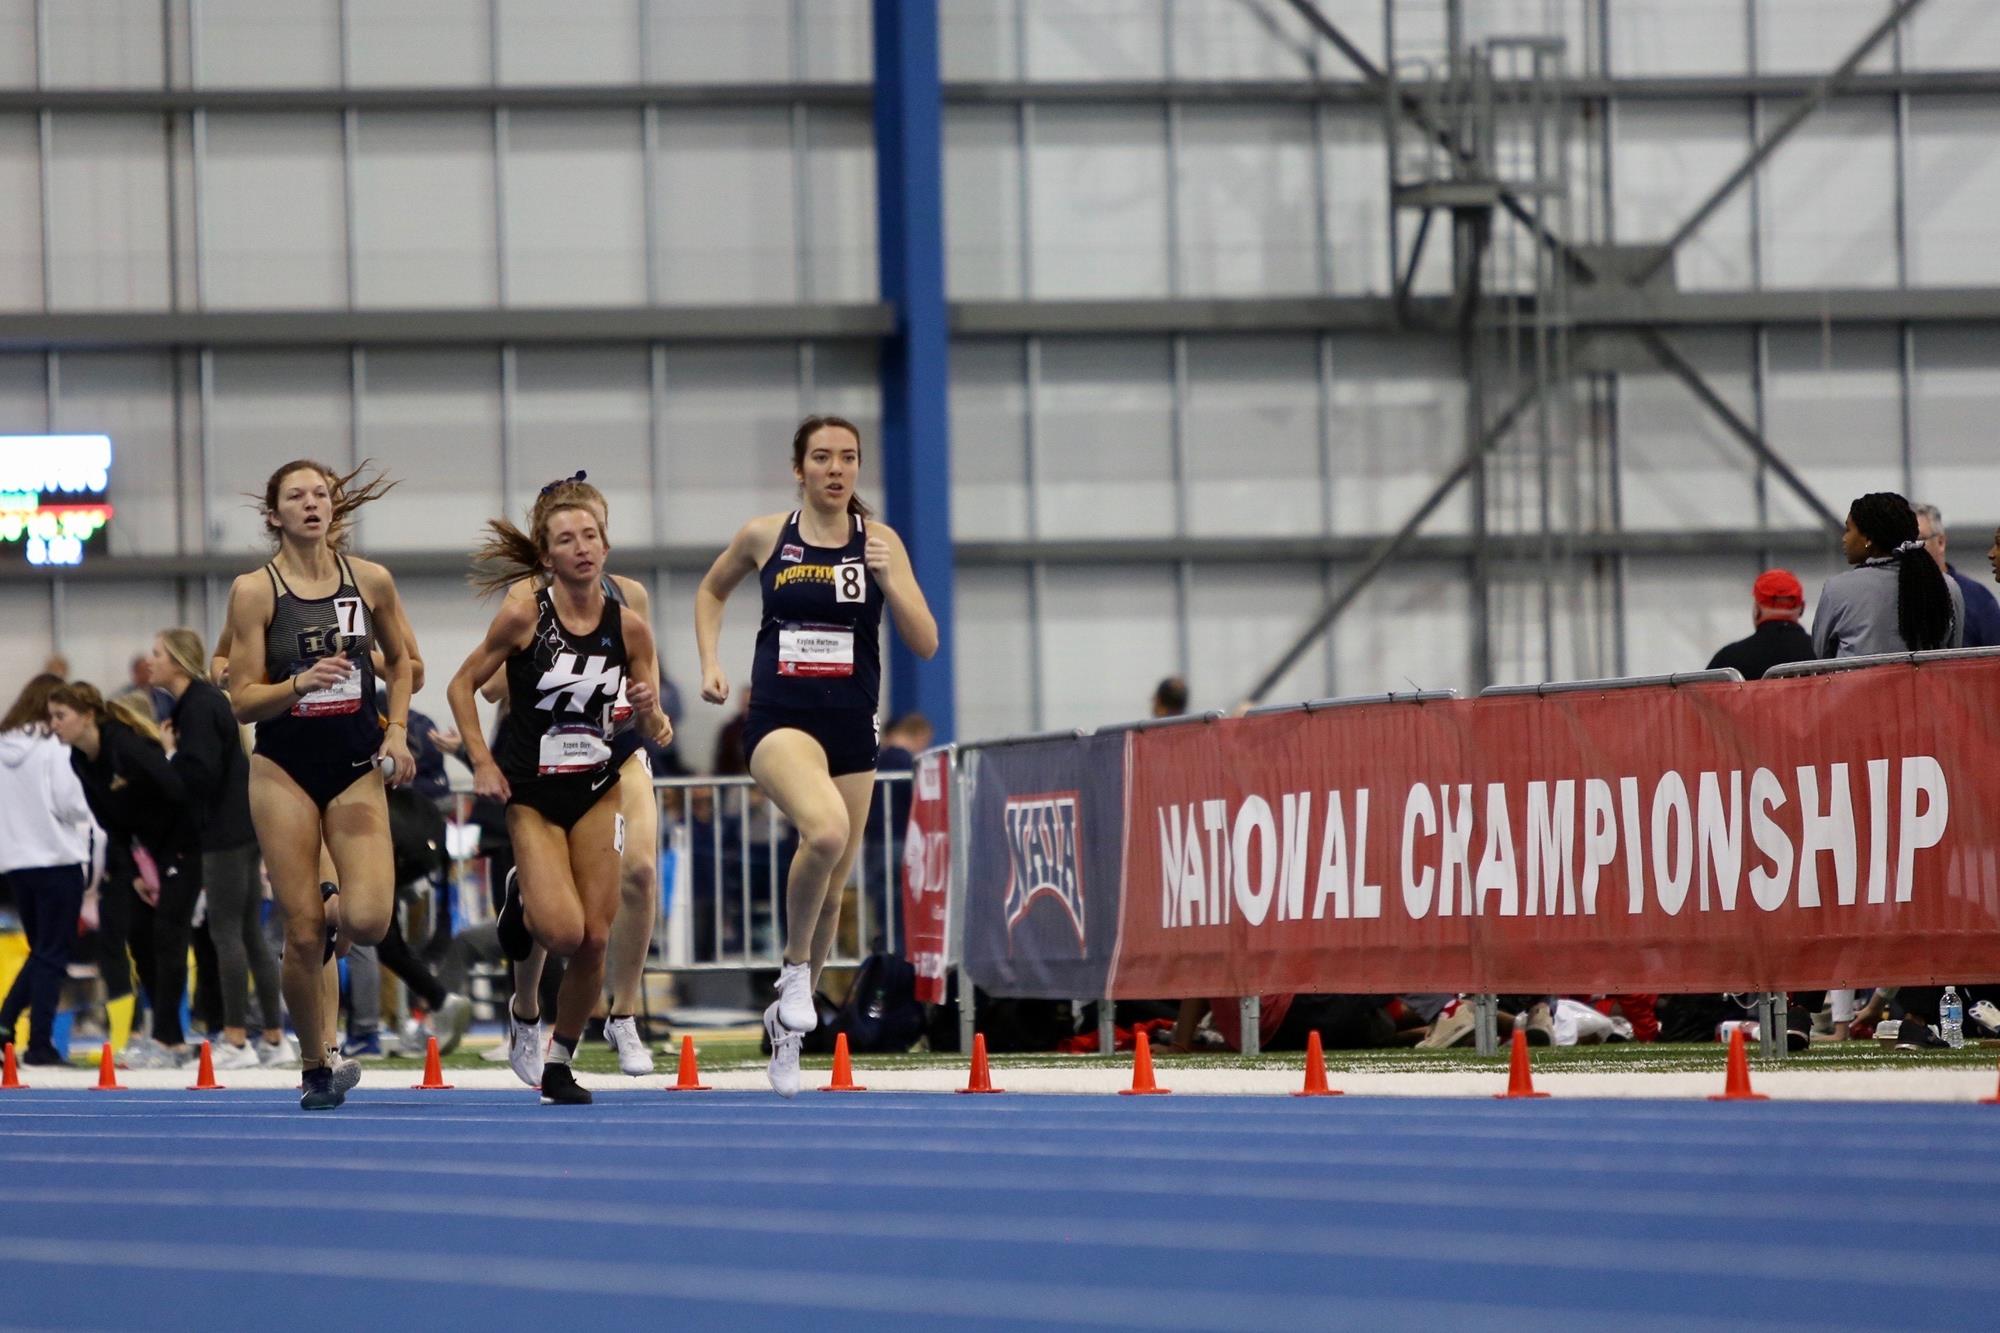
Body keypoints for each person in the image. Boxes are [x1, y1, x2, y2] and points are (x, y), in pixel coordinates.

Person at [694, 414, 939, 1097]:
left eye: (849, 458)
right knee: (824, 830)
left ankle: (787, 1029)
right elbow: (712, 589)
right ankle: (796, 975)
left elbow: (926, 641)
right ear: (798, 468)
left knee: (833, 885)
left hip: (853, 730)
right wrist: (711, 661)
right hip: (779, 723)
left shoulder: (880, 541)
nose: (837, 469)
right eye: (824, 457)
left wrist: (892, 582)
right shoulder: (766, 535)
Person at [447, 475, 670, 1106]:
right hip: (534, 793)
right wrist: (481, 762)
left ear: (606, 545)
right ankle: (523, 912)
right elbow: (463, 685)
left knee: (596, 937)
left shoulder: (630, 627)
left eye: (592, 536)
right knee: (564, 933)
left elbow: (654, 727)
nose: (582, 548)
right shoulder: (525, 613)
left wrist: (649, 710)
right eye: (567, 539)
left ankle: (561, 1060)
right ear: (547, 555)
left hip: (597, 784)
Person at [223, 459, 417, 1110]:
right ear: (274, 515)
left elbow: (406, 664)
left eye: (321, 494)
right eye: (296, 496)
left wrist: (397, 732)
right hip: (284, 768)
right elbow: (243, 701)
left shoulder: (372, 581)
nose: (312, 503)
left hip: (357, 760)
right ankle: (315, 1063)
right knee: (303, 930)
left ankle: (329, 941)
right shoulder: (256, 590)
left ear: (335, 508)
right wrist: (298, 683)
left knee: (367, 915)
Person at [149, 628, 291, 1070]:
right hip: (241, 828)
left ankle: (235, 1038)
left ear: (176, 660)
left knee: (226, 931)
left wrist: (168, 754)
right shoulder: (204, 702)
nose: (149, 661)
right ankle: (272, 1035)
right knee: (249, 932)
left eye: (156, 654)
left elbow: (200, 774)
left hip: (225, 834)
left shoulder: (195, 706)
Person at [48, 682, 197, 1067]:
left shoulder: (126, 747)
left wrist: (170, 857)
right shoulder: (80, 761)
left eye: (60, 716)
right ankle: (169, 1038)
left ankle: (168, 1038)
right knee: (141, 939)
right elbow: (111, 825)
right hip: (140, 853)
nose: (53, 725)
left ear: (88, 715)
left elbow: (176, 792)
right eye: (51, 717)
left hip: (181, 842)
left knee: (168, 937)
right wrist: (134, 872)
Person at [0, 674, 99, 1065]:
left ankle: (6, 1024)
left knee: (42, 951)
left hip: (16, 864)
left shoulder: (3, 746)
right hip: (57, 858)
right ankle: (39, 1043)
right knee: (53, 954)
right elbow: (72, 803)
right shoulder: (54, 749)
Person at [1812, 492, 1962, 660]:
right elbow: (1952, 654)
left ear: (1868, 537)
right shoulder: (1949, 587)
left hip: (1859, 686)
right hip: (1927, 686)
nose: (1844, 538)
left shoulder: (1837, 590)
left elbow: (1822, 656)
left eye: (1848, 530)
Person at [1914, 504, 2000, 648]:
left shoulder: (1978, 599)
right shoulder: (1891, 597)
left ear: (1940, 542)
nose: (1908, 548)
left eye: (1918, 540)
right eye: (1903, 542)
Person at [1706, 569, 1815, 681]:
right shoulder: (1822, 656)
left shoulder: (1728, 661)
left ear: (1757, 609)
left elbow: (1698, 695)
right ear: (1802, 608)